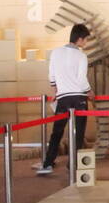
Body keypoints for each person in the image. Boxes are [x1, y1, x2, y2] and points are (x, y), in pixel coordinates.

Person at [35, 23, 91, 175]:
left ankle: (48, 163)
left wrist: (57, 92)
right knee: (78, 134)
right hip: (79, 98)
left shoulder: (56, 52)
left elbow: (51, 77)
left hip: (63, 98)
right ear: (79, 39)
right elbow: (81, 79)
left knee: (57, 132)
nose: (85, 43)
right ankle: (72, 164)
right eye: (85, 40)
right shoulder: (81, 56)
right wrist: (89, 92)